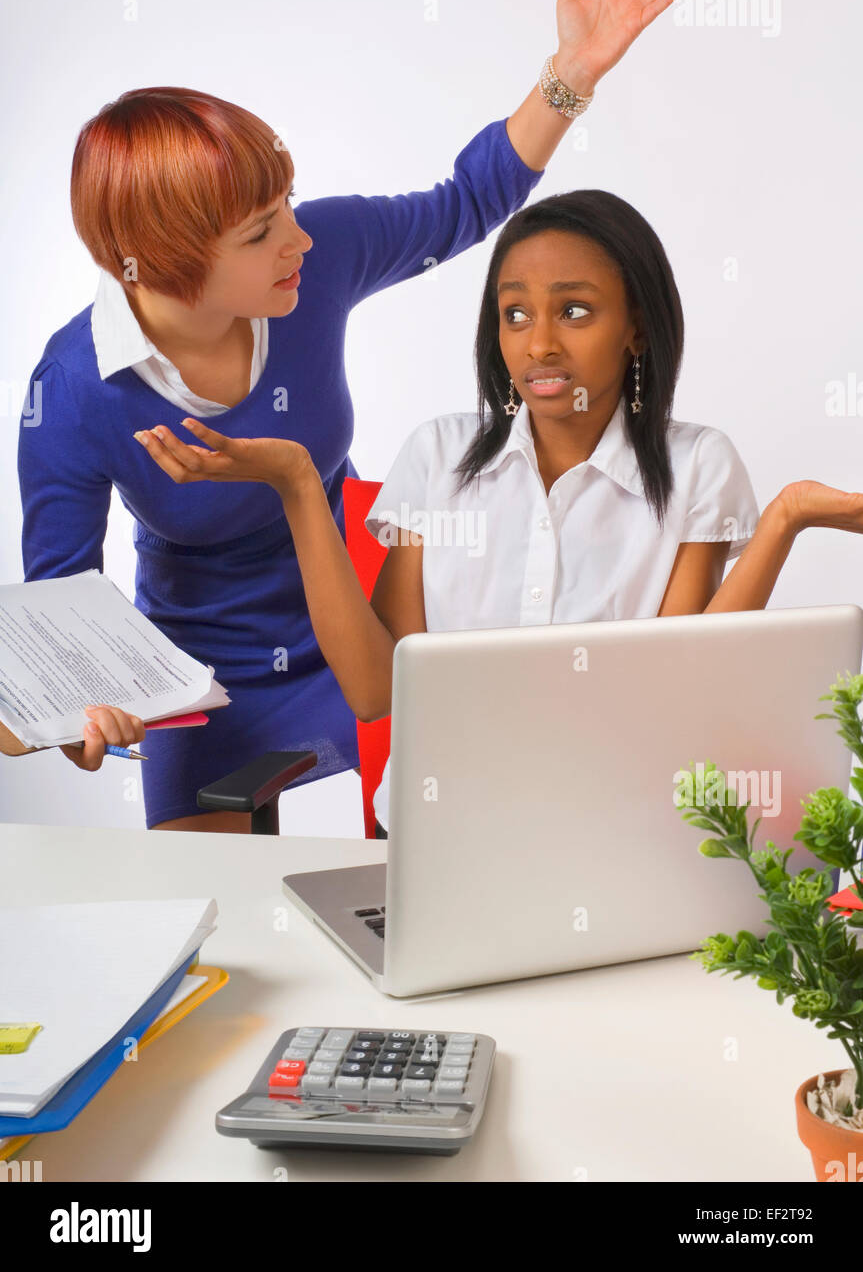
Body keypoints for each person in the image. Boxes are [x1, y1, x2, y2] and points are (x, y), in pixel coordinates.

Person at [17, 0, 694, 823]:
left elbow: (463, 205)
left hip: (361, 621)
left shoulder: (319, 256)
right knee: (221, 916)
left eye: (286, 205)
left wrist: (569, 75)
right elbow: (61, 618)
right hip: (204, 668)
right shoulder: (70, 391)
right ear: (160, 267)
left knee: (461, 853)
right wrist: (83, 714)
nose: (296, 238)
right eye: (259, 233)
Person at [132, 187, 863, 838]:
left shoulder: (694, 465)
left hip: (620, 834)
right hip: (443, 835)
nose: (540, 343)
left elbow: (675, 688)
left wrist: (786, 517)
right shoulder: (440, 456)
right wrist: (296, 483)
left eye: (574, 311)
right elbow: (374, 687)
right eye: (516, 314)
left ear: (635, 327)